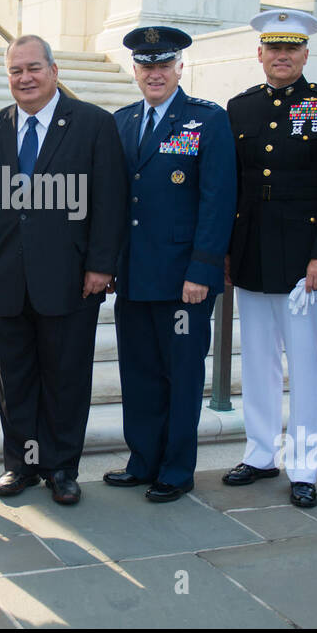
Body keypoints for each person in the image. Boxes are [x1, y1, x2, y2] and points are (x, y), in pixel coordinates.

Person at [0, 35, 127, 505]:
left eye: (33, 68)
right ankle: (20, 465)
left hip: (72, 278)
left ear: (54, 71)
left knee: (65, 376)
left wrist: (101, 265)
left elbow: (110, 201)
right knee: (14, 376)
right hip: (8, 279)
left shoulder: (93, 123)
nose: (25, 78)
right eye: (16, 71)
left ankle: (60, 467)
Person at [223, 9, 317, 508]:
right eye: (273, 49)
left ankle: (304, 465)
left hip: (305, 263)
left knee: (304, 365)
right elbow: (228, 188)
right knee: (257, 362)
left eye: (291, 49)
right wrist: (223, 253)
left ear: (305, 54)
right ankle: (260, 453)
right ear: (259, 54)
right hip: (250, 256)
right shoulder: (239, 109)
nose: (282, 57)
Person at [105, 26, 235, 502]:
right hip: (134, 274)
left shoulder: (206, 121)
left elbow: (218, 201)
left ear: (180, 68)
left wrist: (202, 270)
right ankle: (143, 460)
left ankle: (177, 469)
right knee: (138, 372)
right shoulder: (121, 122)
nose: (154, 73)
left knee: (181, 374)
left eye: (163, 65)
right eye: (145, 65)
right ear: (135, 70)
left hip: (184, 279)